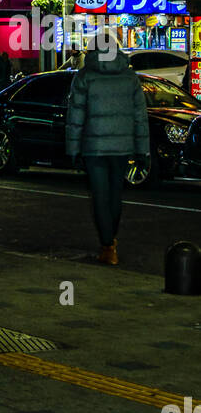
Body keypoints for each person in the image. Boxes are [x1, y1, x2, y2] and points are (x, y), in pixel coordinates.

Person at [65, 30, 150, 266]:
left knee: (100, 197)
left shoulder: (84, 77)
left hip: (94, 147)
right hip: (122, 147)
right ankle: (112, 240)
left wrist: (73, 150)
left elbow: (75, 118)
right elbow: (139, 117)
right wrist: (143, 150)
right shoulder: (130, 77)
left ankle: (107, 245)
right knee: (115, 195)